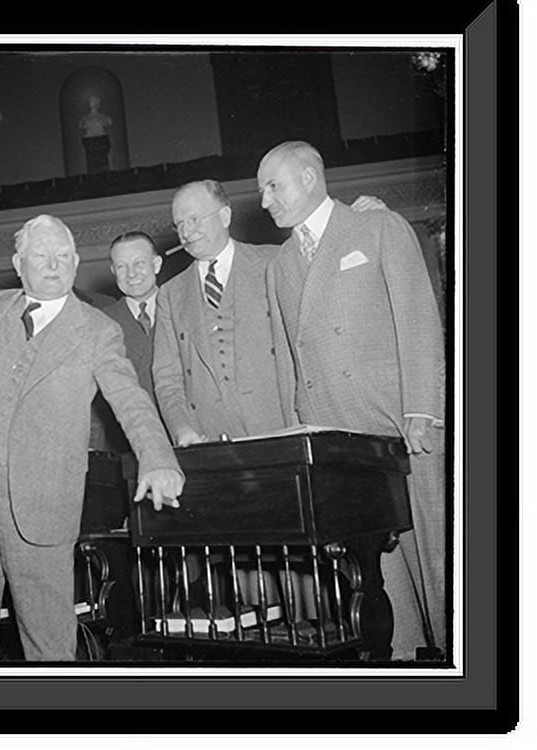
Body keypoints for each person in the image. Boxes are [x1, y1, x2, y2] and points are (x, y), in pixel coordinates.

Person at [0, 214, 184, 661]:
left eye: (63, 256)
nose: (53, 264)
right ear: (19, 262)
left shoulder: (98, 330)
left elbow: (130, 398)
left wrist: (157, 459)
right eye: (41, 255)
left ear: (77, 262)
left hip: (43, 501)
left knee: (48, 637)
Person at [259, 141, 446, 661]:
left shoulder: (378, 227)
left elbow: (417, 316)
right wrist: (294, 432)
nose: (266, 200)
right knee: (374, 574)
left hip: (402, 427)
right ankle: (405, 666)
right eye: (261, 191)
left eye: (274, 186)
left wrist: (423, 409)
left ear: (311, 176)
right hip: (335, 438)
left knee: (437, 559)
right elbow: (286, 365)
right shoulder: (278, 266)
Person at [152, 179, 287, 447]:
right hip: (210, 441)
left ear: (225, 216)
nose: (186, 232)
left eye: (194, 219)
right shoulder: (170, 293)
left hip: (284, 432)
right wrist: (181, 429)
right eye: (179, 224)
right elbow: (167, 377)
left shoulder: (275, 262)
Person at [90, 231, 164, 454]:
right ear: (113, 271)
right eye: (121, 266)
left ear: (156, 264)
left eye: (139, 263)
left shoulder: (182, 306)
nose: (131, 274)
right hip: (128, 445)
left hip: (189, 437)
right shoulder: (99, 323)